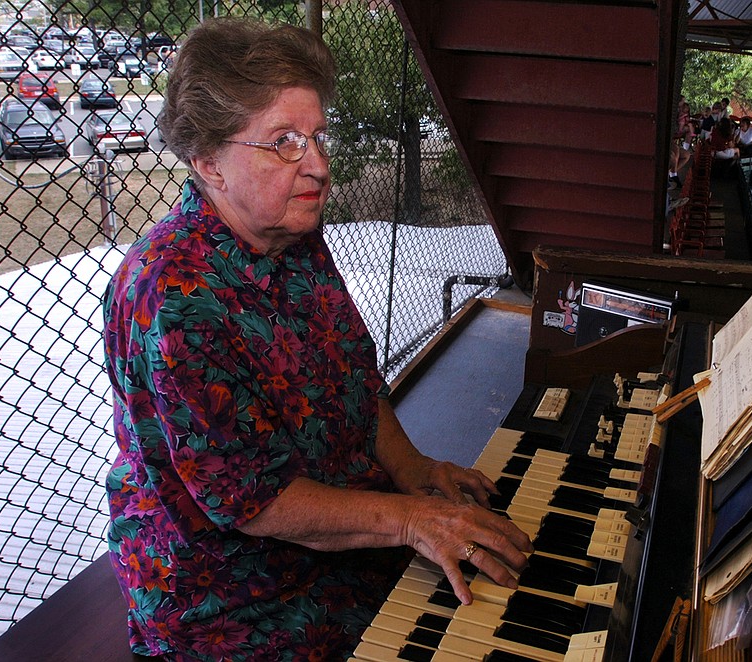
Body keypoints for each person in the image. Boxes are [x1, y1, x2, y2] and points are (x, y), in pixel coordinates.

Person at [102, 18, 532, 661]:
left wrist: (414, 473)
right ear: (207, 163)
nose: (320, 167)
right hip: (230, 589)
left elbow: (353, 381)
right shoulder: (175, 299)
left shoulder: (292, 232)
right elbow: (255, 505)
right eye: (284, 143)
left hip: (333, 524)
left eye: (317, 136)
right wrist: (411, 520)